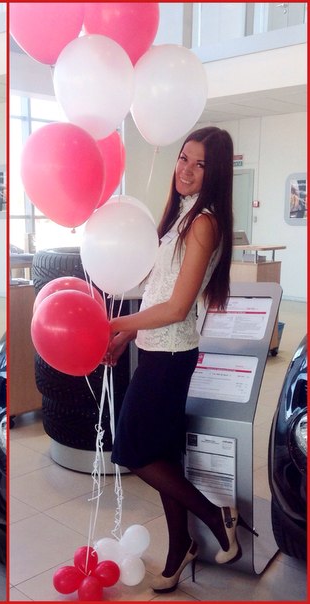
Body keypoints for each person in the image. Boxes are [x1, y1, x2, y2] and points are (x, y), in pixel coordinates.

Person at [105, 127, 256, 594]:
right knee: (163, 455)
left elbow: (176, 307)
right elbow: (158, 293)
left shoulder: (204, 223)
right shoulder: (179, 216)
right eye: (183, 158)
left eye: (199, 164)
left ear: (216, 173)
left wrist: (111, 325)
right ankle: (181, 548)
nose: (186, 170)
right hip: (156, 349)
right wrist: (127, 337)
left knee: (131, 451)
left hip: (170, 356)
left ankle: (216, 516)